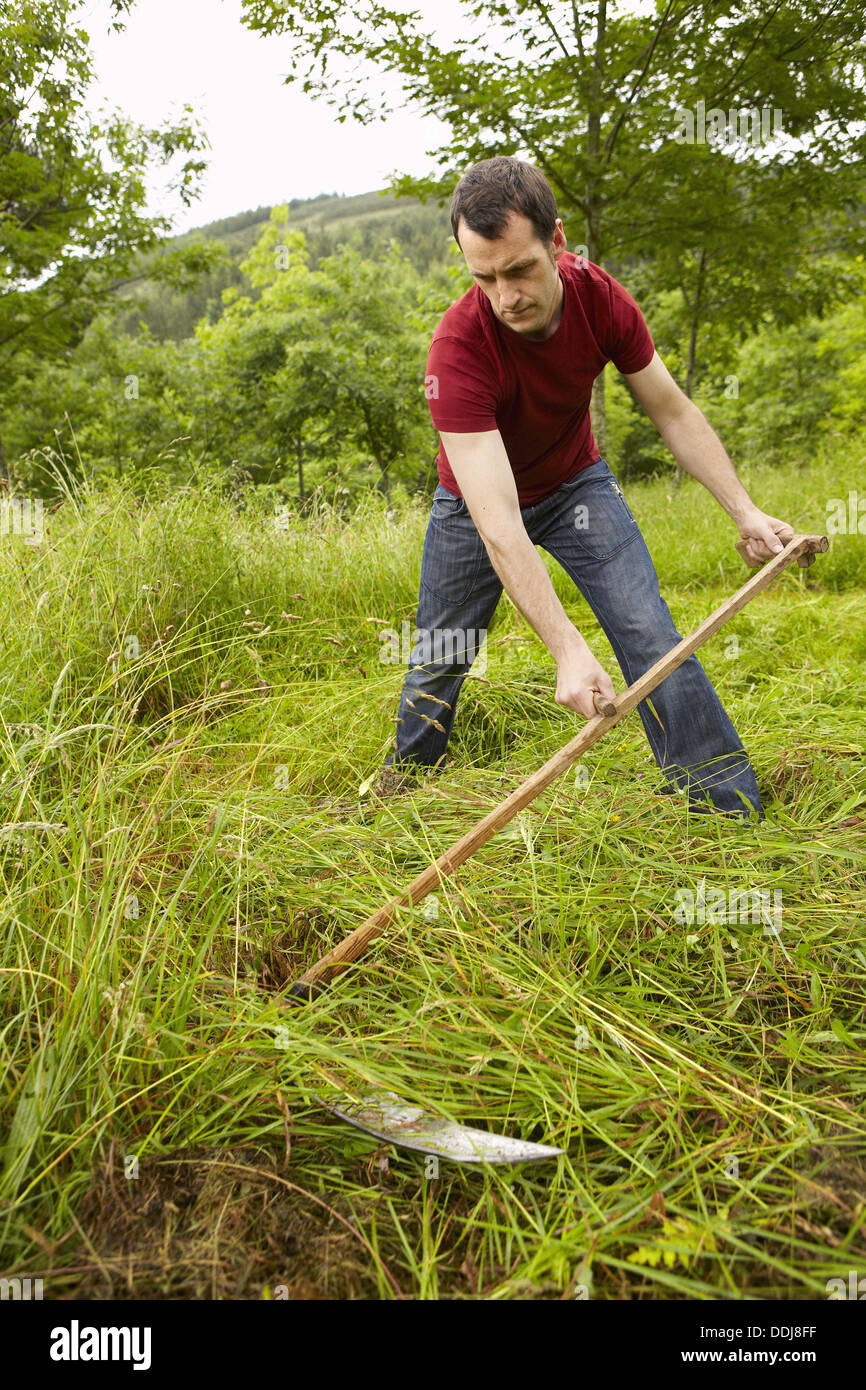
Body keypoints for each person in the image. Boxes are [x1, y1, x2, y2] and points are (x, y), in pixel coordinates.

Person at [382, 155, 794, 822]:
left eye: (520, 269)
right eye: (484, 278)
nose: (507, 297)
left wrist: (744, 511)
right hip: (474, 509)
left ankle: (725, 810)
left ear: (558, 241)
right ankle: (404, 790)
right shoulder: (457, 349)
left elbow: (672, 411)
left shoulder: (601, 299)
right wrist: (568, 650)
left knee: (650, 636)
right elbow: (499, 524)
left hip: (576, 485)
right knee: (440, 656)